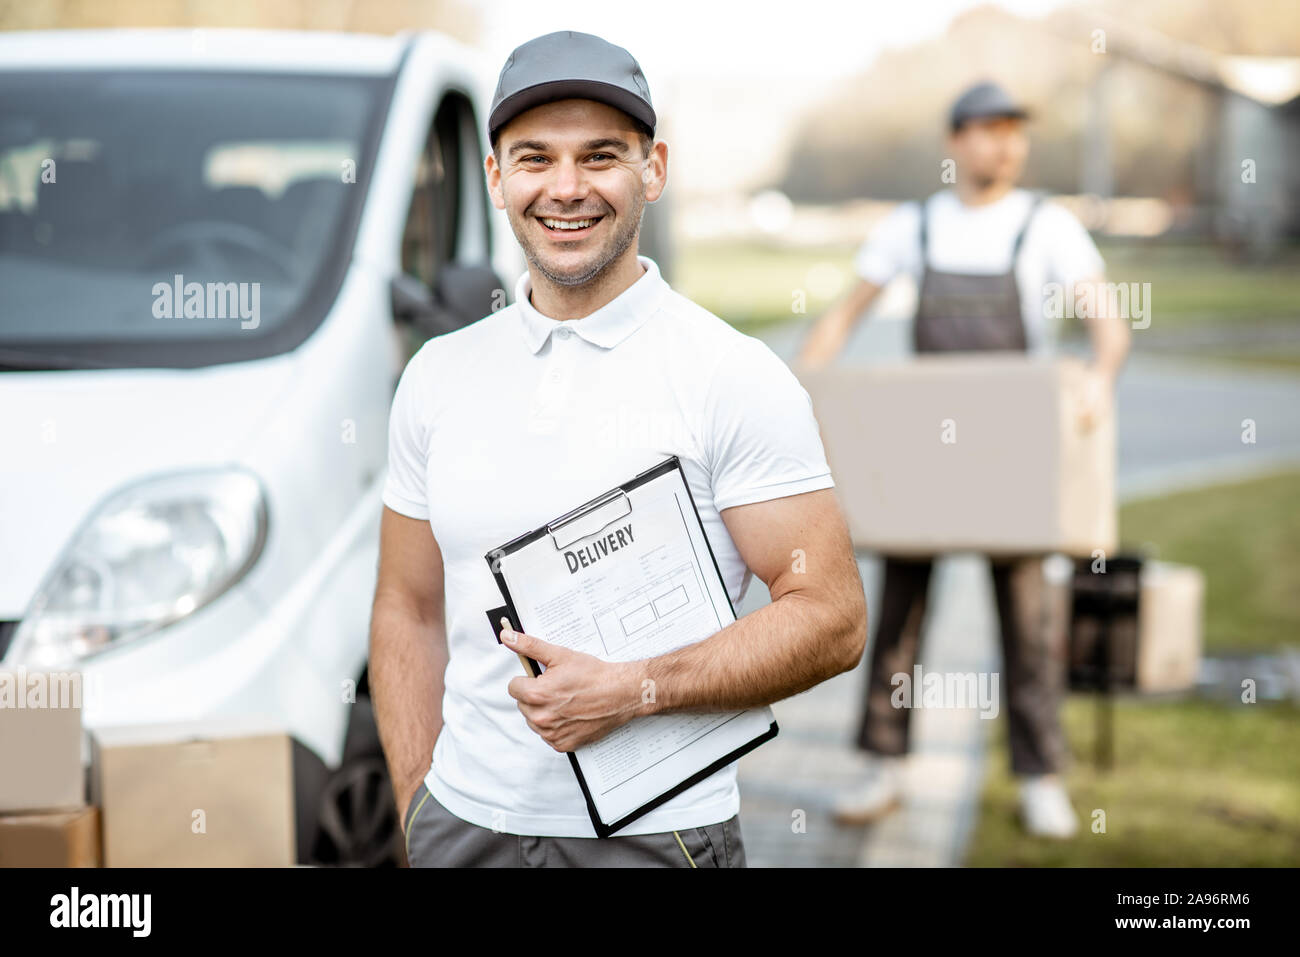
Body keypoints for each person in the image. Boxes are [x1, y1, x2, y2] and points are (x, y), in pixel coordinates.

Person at [370, 30, 868, 867]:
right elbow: (406, 607)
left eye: (600, 156)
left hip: (658, 835)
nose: (565, 188)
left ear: (654, 170)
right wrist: (417, 801)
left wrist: (635, 689)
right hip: (460, 826)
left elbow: (833, 618)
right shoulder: (436, 375)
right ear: (496, 177)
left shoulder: (731, 375)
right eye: (534, 158)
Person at [795, 81, 1130, 838]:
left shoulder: (1049, 226)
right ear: (956, 143)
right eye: (986, 130)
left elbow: (1108, 329)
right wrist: (801, 393)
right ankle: (884, 765)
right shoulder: (914, 227)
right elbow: (839, 321)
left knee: (1028, 615)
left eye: (1014, 130)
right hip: (927, 454)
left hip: (1018, 455)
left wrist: (1099, 383)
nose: (1003, 144)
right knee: (901, 612)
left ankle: (1042, 776)